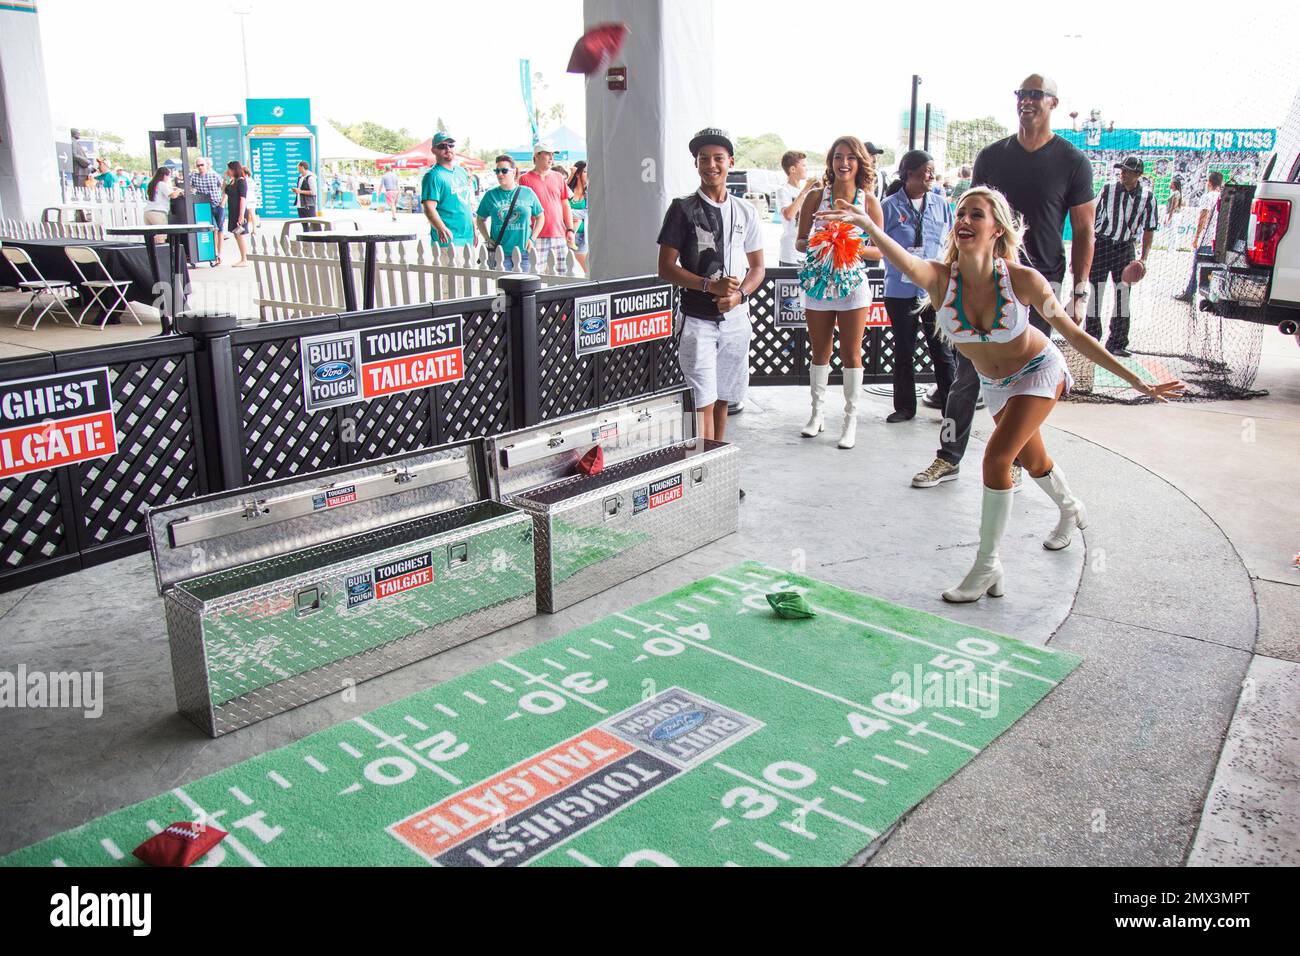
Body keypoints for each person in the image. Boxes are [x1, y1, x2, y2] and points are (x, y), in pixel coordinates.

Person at [820, 187, 1183, 602]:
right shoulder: (940, 279)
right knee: (1033, 459)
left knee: (997, 458)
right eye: (961, 214)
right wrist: (868, 225)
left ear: (997, 230)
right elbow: (903, 259)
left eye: (977, 214)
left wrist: (1136, 379)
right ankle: (1070, 508)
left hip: (1038, 372)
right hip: (996, 386)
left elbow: (1074, 336)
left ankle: (987, 565)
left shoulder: (1023, 280)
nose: (965, 221)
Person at [910, 73, 1095, 491]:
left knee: (1025, 375)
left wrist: (1080, 292)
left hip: (1036, 282)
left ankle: (1010, 458)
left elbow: (1085, 230)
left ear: (1052, 103)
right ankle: (948, 456)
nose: (1026, 101)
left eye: (1035, 95)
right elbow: (971, 213)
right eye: (1021, 94)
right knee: (966, 376)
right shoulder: (993, 156)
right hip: (984, 280)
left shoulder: (1072, 161)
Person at [656, 127, 765, 476]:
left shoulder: (746, 211)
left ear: (730, 162)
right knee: (698, 401)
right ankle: (697, 473)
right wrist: (708, 286)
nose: (712, 165)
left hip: (735, 320)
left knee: (722, 401)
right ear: (696, 164)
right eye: (704, 159)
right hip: (697, 320)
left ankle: (716, 473)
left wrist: (738, 296)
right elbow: (665, 268)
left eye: (718, 158)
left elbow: (759, 267)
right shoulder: (682, 209)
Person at [793, 135, 884, 449]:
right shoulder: (816, 197)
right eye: (838, 157)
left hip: (853, 286)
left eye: (850, 158)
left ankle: (850, 421)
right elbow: (800, 242)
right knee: (819, 351)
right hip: (818, 283)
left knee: (851, 353)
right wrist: (822, 239)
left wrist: (848, 242)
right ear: (831, 161)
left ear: (860, 163)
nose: (844, 163)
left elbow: (881, 250)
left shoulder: (868, 202)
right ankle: (817, 415)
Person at [880, 150, 957, 422]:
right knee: (904, 350)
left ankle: (951, 409)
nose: (931, 175)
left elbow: (950, 244)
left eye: (932, 170)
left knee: (943, 351)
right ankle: (904, 407)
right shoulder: (888, 206)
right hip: (900, 291)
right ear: (909, 173)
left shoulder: (941, 204)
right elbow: (874, 244)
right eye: (926, 170)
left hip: (934, 290)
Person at [1087, 157, 1159, 357]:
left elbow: (1149, 229)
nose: (1123, 173)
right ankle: (1091, 337)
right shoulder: (1108, 189)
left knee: (1123, 297)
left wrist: (1143, 259)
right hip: (1102, 244)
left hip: (1125, 248)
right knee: (1096, 292)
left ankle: (1117, 342)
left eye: (1127, 171)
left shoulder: (1148, 197)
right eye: (1122, 170)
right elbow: (1092, 216)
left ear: (1138, 175)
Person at [476, 155, 544, 271]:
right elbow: (480, 219)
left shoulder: (527, 192)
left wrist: (532, 238)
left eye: (504, 170)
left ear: (513, 172)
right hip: (500, 252)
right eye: (497, 171)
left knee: (524, 287)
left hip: (524, 252)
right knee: (503, 288)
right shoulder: (490, 195)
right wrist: (487, 238)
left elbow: (540, 216)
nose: (499, 174)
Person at [519, 143, 575, 273]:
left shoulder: (558, 177)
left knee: (563, 275)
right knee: (534, 275)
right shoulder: (525, 179)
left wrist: (570, 229)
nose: (551, 158)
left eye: (552, 155)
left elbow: (565, 204)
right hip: (536, 235)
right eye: (547, 154)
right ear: (537, 156)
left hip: (559, 233)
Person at [420, 131, 475, 256]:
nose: (447, 149)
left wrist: (473, 227)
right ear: (434, 150)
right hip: (448, 240)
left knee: (468, 275)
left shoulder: (461, 171)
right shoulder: (433, 176)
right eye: (442, 146)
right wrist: (441, 228)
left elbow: (465, 203)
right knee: (452, 276)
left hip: (467, 237)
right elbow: (429, 207)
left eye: (451, 145)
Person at [1174, 170, 1224, 302]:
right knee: (1214, 269)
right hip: (1218, 239)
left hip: (1206, 238)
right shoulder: (1222, 197)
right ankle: (1213, 296)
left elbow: (1203, 217)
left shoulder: (1207, 197)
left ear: (1209, 183)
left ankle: (1190, 293)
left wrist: (1196, 237)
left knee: (1197, 266)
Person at [776, 150, 820, 267]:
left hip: (808, 251)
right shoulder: (783, 190)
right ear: (793, 170)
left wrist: (820, 190)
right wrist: (805, 190)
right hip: (790, 253)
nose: (806, 169)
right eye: (803, 165)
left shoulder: (810, 192)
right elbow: (789, 215)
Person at [190, 157, 227, 262]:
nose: (200, 167)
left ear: (206, 165)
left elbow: (225, 188)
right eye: (198, 165)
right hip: (205, 206)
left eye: (202, 165)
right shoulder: (194, 176)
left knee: (220, 230)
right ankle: (214, 253)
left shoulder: (214, 175)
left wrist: (223, 203)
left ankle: (219, 254)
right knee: (213, 229)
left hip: (218, 205)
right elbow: (187, 186)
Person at [224, 161, 250, 267]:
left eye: (229, 169)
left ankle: (244, 259)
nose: (228, 171)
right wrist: (225, 179)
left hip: (240, 211)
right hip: (233, 211)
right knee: (236, 234)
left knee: (240, 234)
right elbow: (224, 190)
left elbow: (243, 199)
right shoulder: (232, 181)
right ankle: (242, 257)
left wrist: (241, 215)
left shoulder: (241, 181)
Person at [568, 161, 590, 273]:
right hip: (567, 234)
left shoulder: (589, 192)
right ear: (578, 173)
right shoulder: (569, 190)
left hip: (582, 235)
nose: (588, 174)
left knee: (586, 270)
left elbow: (588, 212)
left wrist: (569, 212)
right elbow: (559, 206)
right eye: (585, 172)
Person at [143, 167, 180, 233]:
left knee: (151, 239)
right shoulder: (162, 184)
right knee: (160, 238)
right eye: (168, 176)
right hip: (158, 213)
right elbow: (173, 195)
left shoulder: (152, 184)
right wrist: (179, 190)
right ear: (165, 175)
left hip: (147, 213)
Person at [242, 165, 259, 236]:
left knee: (247, 214)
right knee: (252, 214)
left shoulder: (244, 180)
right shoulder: (251, 180)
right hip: (252, 198)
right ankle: (254, 229)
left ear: (245, 173)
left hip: (247, 199)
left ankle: (246, 228)